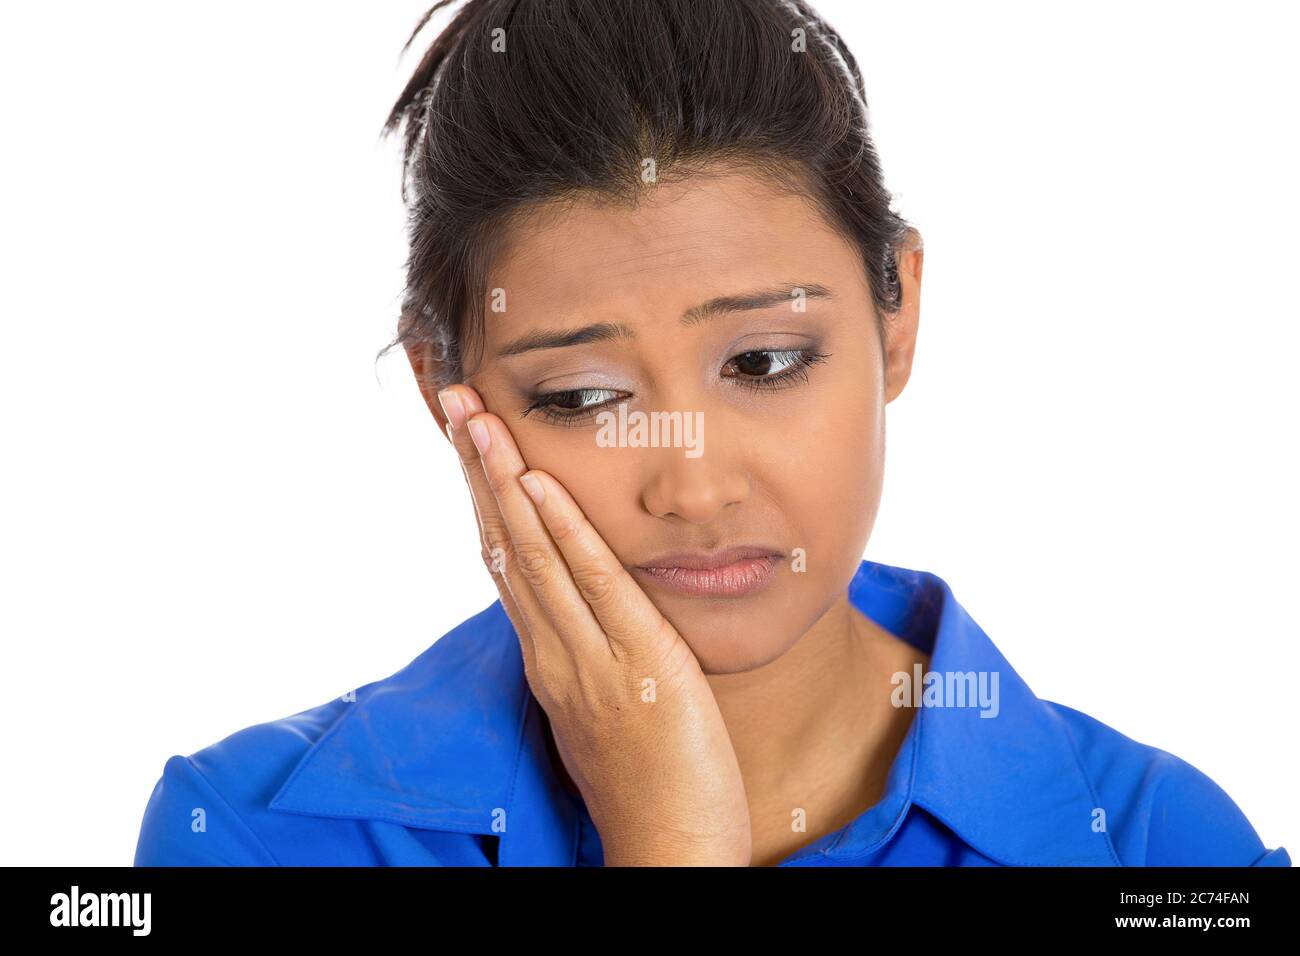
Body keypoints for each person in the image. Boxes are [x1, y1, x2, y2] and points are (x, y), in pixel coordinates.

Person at [134, 0, 1289, 867]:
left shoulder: (1162, 849)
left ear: (899, 314)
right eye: (581, 395)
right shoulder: (250, 830)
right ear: (452, 393)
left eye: (766, 362)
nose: (692, 482)